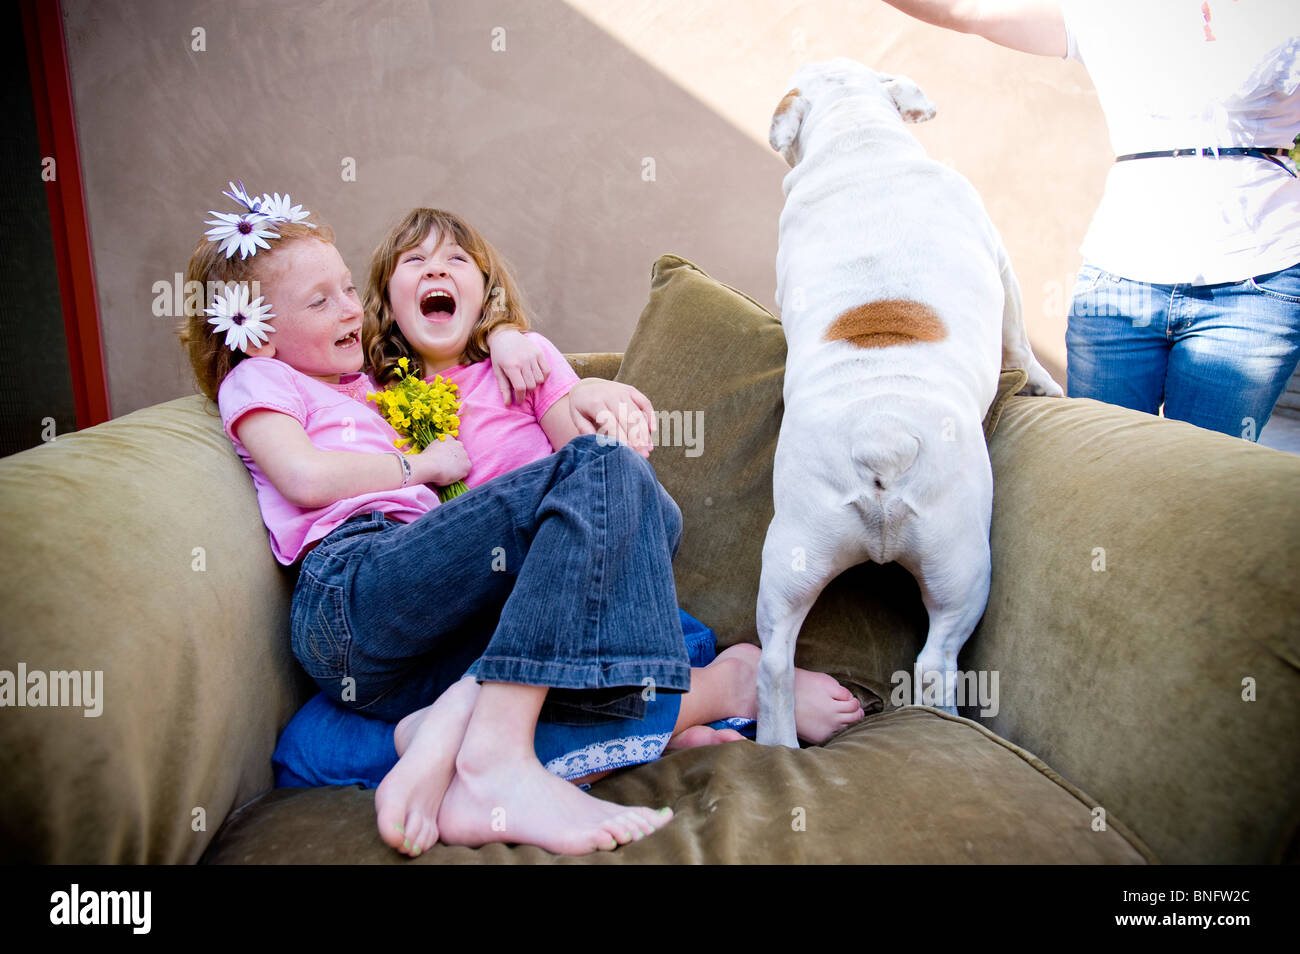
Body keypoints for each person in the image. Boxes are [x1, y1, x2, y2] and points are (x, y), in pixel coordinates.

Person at [180, 187, 862, 858]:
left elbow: (524, 401)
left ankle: (458, 727)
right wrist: (417, 470)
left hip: (421, 632)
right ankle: (504, 756)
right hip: (352, 588)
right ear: (256, 334)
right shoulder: (271, 380)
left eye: (348, 289)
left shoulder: (361, 385)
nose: (348, 307)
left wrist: (519, 345)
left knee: (630, 494)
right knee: (604, 472)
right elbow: (302, 477)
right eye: (321, 299)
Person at [881, 0, 1300, 440]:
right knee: (1097, 459)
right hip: (1119, 286)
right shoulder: (1108, 13)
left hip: (1255, 281)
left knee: (1206, 481)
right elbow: (964, 9)